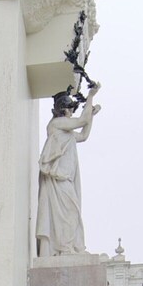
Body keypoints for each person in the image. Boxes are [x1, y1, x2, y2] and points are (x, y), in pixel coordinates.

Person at [38, 81, 101, 257]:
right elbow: (82, 120)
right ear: (63, 110)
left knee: (72, 213)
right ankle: (65, 249)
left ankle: (69, 247)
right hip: (58, 179)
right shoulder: (57, 124)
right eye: (70, 109)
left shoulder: (65, 132)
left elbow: (83, 135)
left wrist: (91, 116)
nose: (72, 112)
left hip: (65, 179)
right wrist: (90, 97)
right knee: (69, 213)